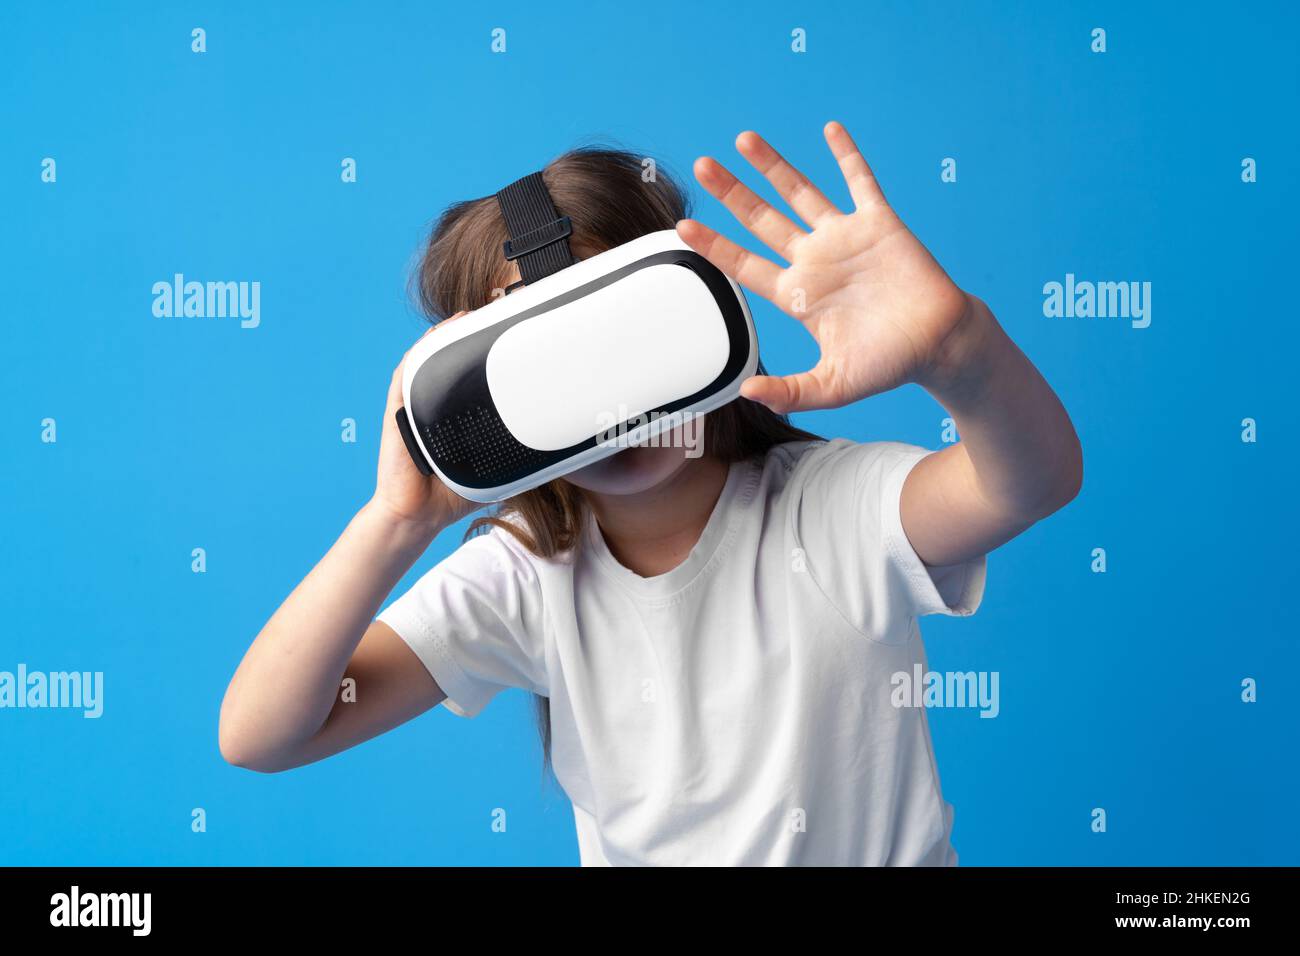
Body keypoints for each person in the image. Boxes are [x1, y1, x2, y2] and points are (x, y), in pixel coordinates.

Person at [218, 121, 1082, 866]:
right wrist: (396, 522)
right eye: (544, 373)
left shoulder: (830, 510)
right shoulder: (524, 579)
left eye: (625, 341)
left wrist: (959, 350)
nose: (608, 408)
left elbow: (1031, 483)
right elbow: (262, 734)